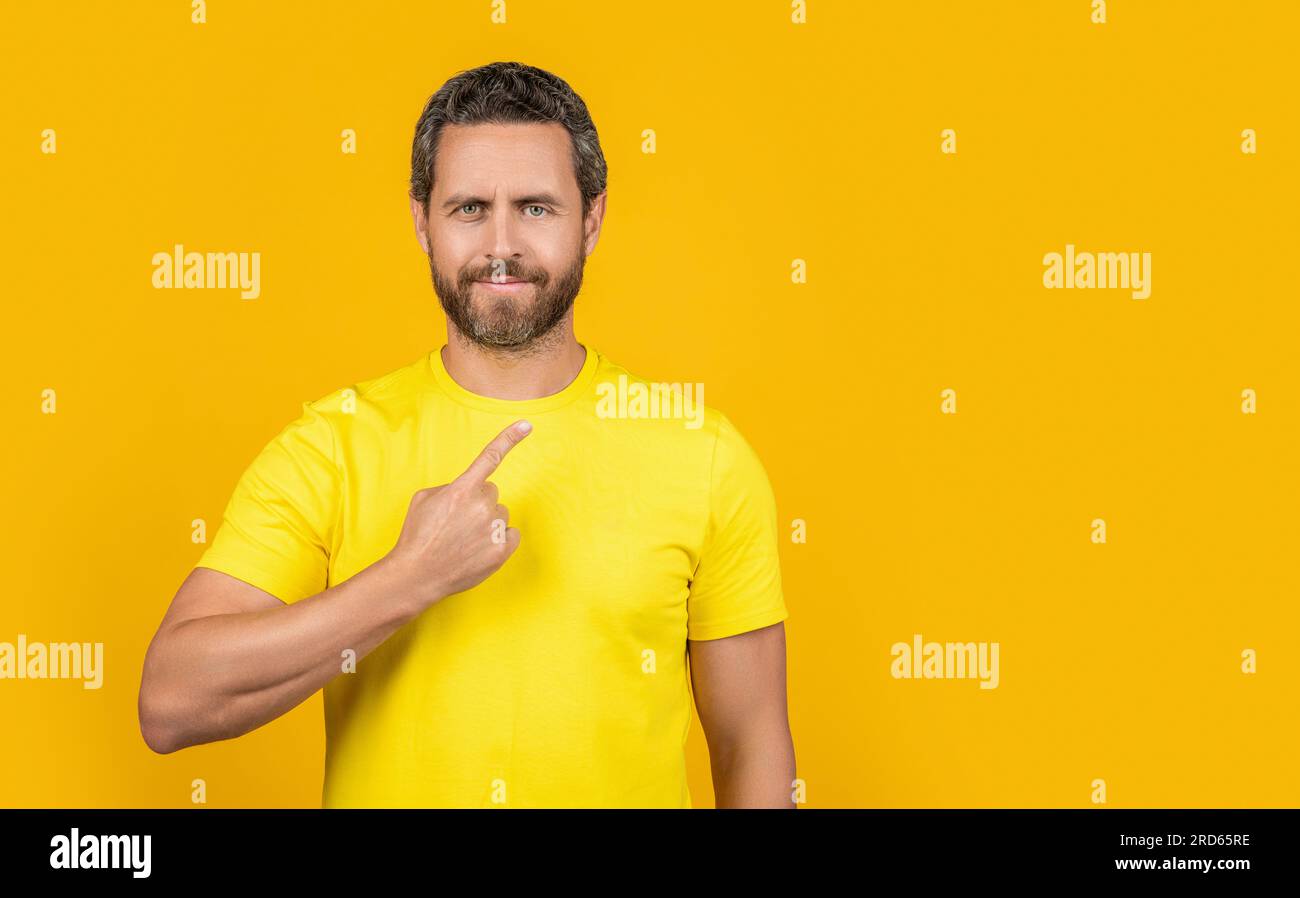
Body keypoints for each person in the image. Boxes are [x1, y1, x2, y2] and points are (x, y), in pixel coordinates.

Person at [138, 60, 794, 808]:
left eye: (537, 208)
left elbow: (751, 744)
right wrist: (408, 578)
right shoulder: (332, 446)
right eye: (470, 208)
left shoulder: (704, 457)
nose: (503, 243)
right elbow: (171, 701)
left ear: (593, 218)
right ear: (422, 221)